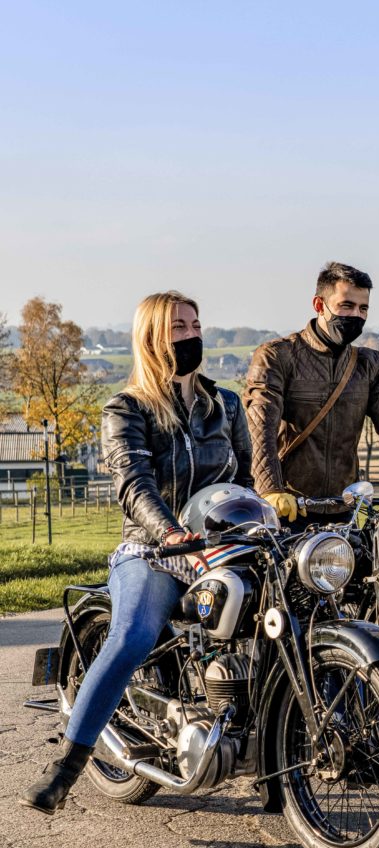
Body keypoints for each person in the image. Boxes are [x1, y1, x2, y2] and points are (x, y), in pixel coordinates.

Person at [19, 291, 252, 814]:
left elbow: (246, 479)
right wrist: (169, 533)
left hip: (220, 549)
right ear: (151, 337)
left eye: (195, 325)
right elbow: (134, 483)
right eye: (178, 327)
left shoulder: (228, 405)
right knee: (132, 637)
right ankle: (65, 768)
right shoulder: (126, 408)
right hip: (152, 551)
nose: (191, 335)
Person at [243, 262, 379, 525]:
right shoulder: (277, 356)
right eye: (346, 306)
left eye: (363, 308)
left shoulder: (368, 364)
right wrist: (270, 489)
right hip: (288, 507)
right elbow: (260, 426)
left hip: (344, 506)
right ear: (319, 305)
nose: (356, 315)